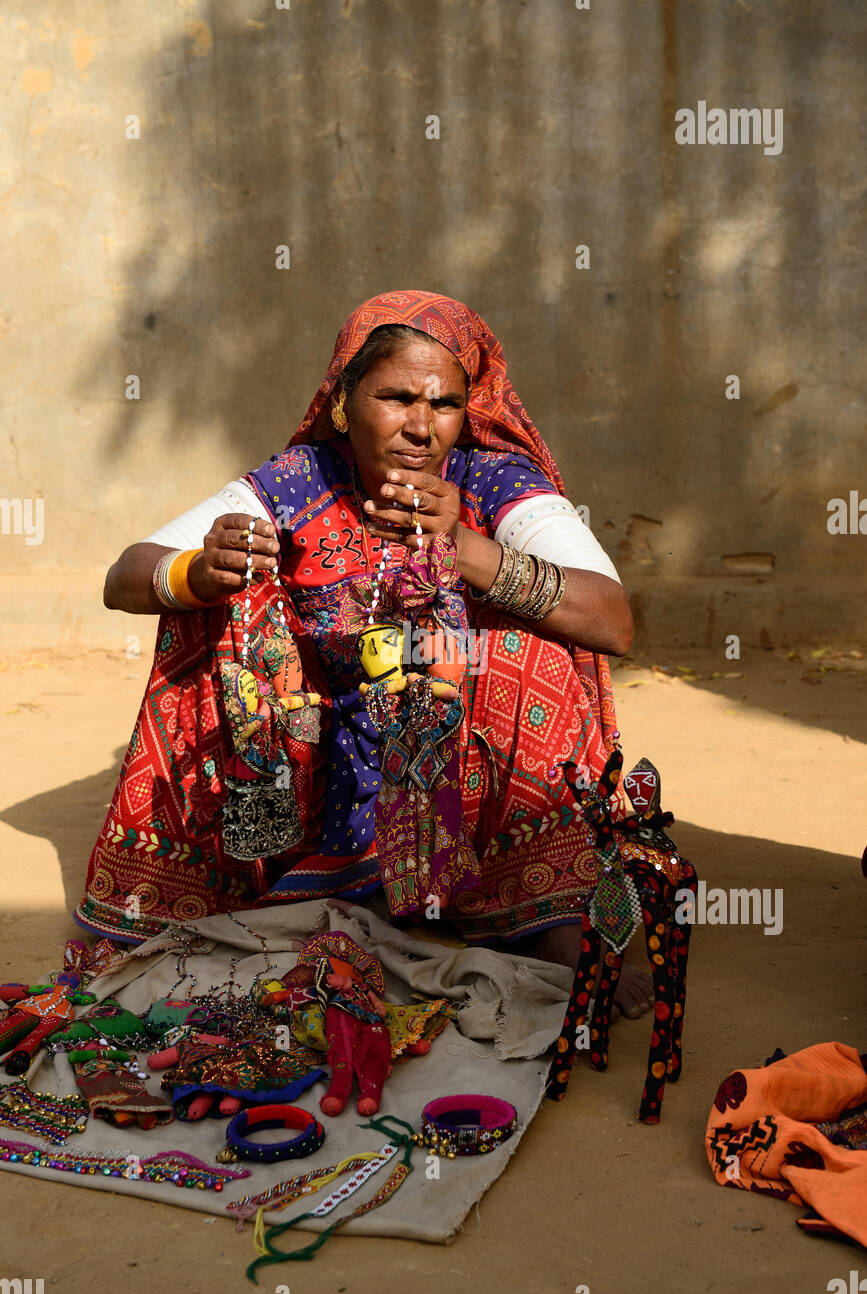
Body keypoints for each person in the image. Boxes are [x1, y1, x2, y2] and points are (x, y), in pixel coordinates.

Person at [81, 290, 655, 1018]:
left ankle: (550, 925)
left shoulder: (493, 483)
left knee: (526, 646)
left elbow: (610, 620)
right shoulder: (300, 480)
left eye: (444, 403)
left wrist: (467, 552)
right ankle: (241, 884)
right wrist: (201, 569)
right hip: (328, 766)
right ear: (345, 403)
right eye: (396, 398)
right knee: (202, 609)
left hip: (467, 773)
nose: (421, 427)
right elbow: (124, 575)